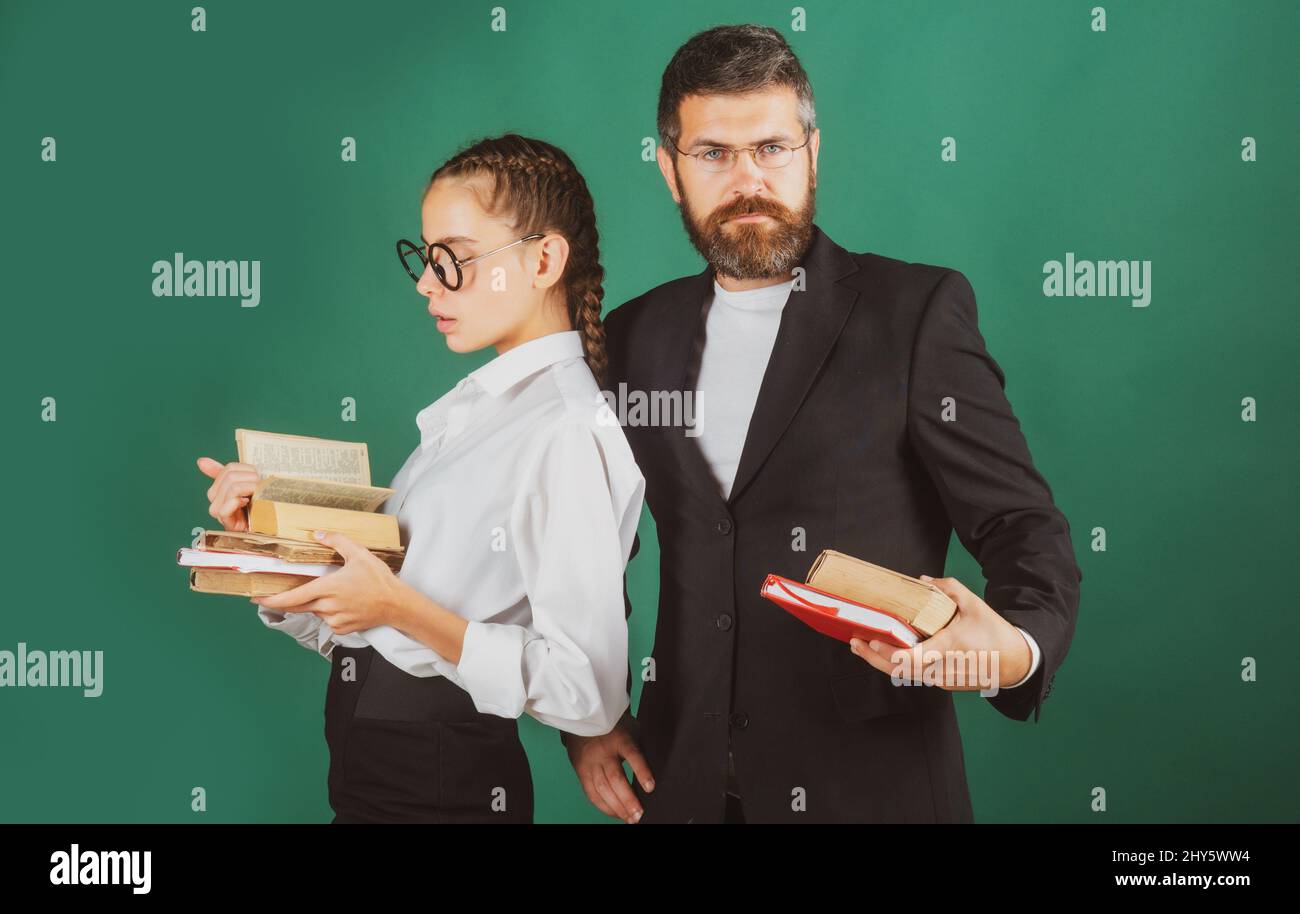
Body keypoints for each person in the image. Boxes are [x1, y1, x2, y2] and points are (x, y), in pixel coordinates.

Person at [563, 24, 1082, 823]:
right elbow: (589, 559)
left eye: (771, 147)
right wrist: (586, 722)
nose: (747, 179)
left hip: (873, 792)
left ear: (812, 150)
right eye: (713, 154)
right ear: (669, 168)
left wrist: (1012, 652)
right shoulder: (632, 336)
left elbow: (1024, 527)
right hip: (680, 790)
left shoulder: (917, 314)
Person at [197, 134, 645, 824]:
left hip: (443, 788)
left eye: (455, 260)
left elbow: (585, 689)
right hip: (369, 767)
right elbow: (374, 631)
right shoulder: (478, 413)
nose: (426, 283)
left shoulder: (565, 428)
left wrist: (397, 607)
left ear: (545, 259)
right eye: (427, 257)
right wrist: (273, 554)